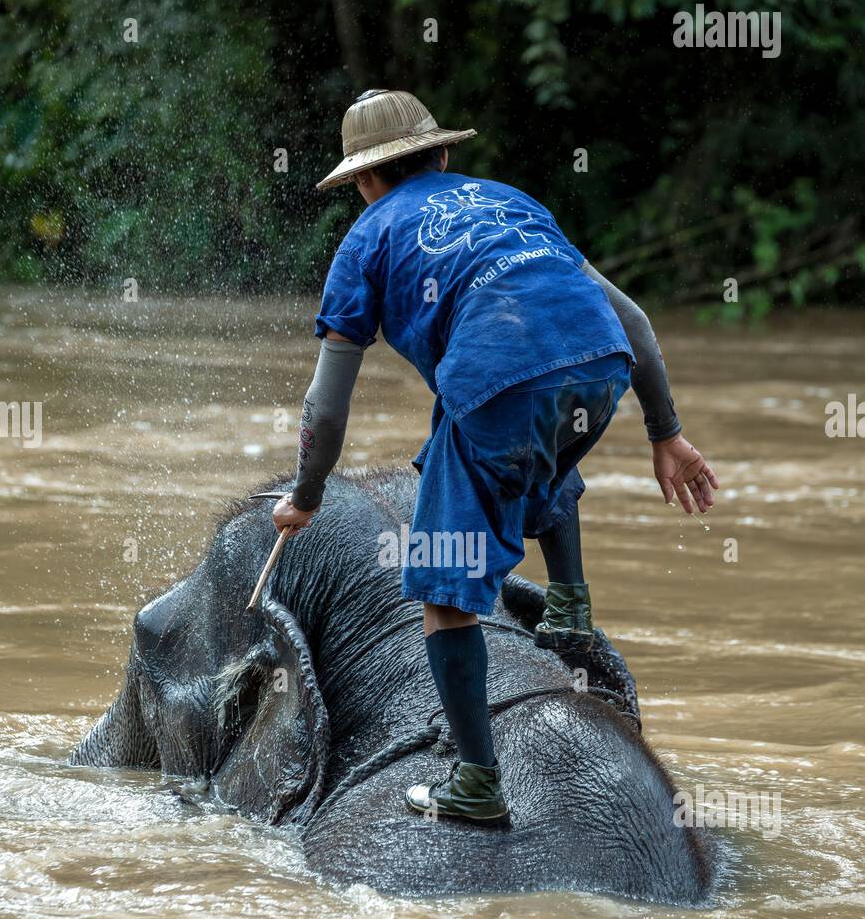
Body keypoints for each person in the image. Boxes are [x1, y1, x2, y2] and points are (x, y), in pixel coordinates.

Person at [272, 88, 719, 828]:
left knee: (443, 586)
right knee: (525, 438)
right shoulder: (510, 202)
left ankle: (476, 783)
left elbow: (327, 403)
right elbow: (631, 319)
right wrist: (666, 434)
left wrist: (307, 494)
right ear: (444, 154)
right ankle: (570, 607)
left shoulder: (368, 237)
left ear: (363, 181)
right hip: (600, 368)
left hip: (499, 382)